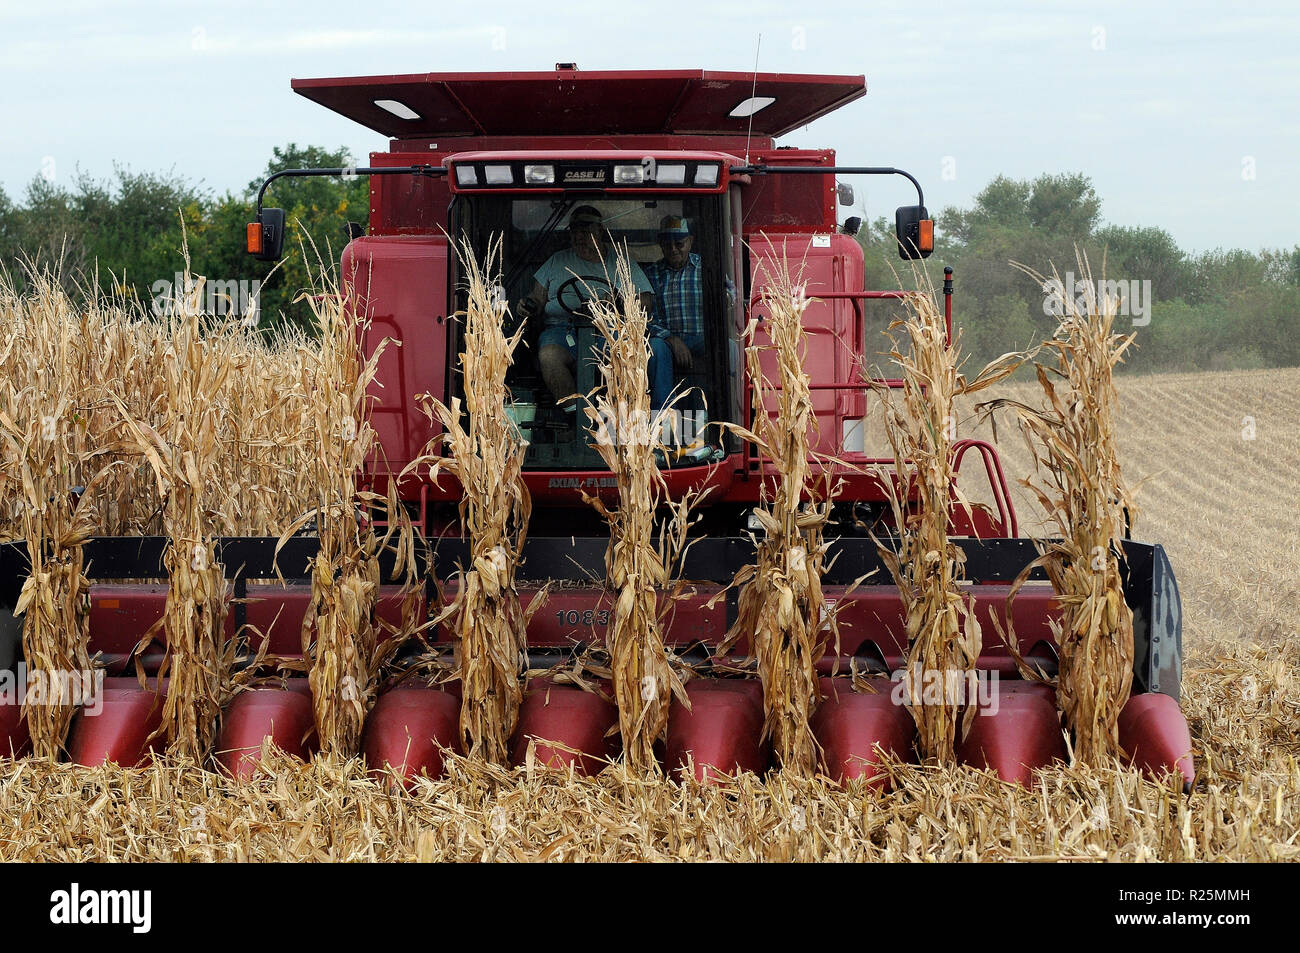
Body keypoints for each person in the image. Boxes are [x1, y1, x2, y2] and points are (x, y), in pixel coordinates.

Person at [517, 205, 667, 410]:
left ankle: (621, 418)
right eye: (575, 232)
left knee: (628, 355)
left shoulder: (621, 263)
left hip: (609, 333)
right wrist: (528, 306)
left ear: (600, 232)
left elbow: (645, 304)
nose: (580, 237)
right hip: (563, 331)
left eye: (586, 231)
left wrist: (619, 303)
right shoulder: (557, 261)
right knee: (549, 355)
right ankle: (576, 418)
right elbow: (536, 298)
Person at [643, 215, 706, 382]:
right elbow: (644, 317)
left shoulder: (706, 268)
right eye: (666, 244)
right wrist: (670, 338)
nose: (673, 249)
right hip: (665, 340)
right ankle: (663, 407)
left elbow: (731, 297)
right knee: (655, 348)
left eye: (679, 244)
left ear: (690, 241)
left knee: (729, 348)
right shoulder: (650, 274)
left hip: (702, 337)